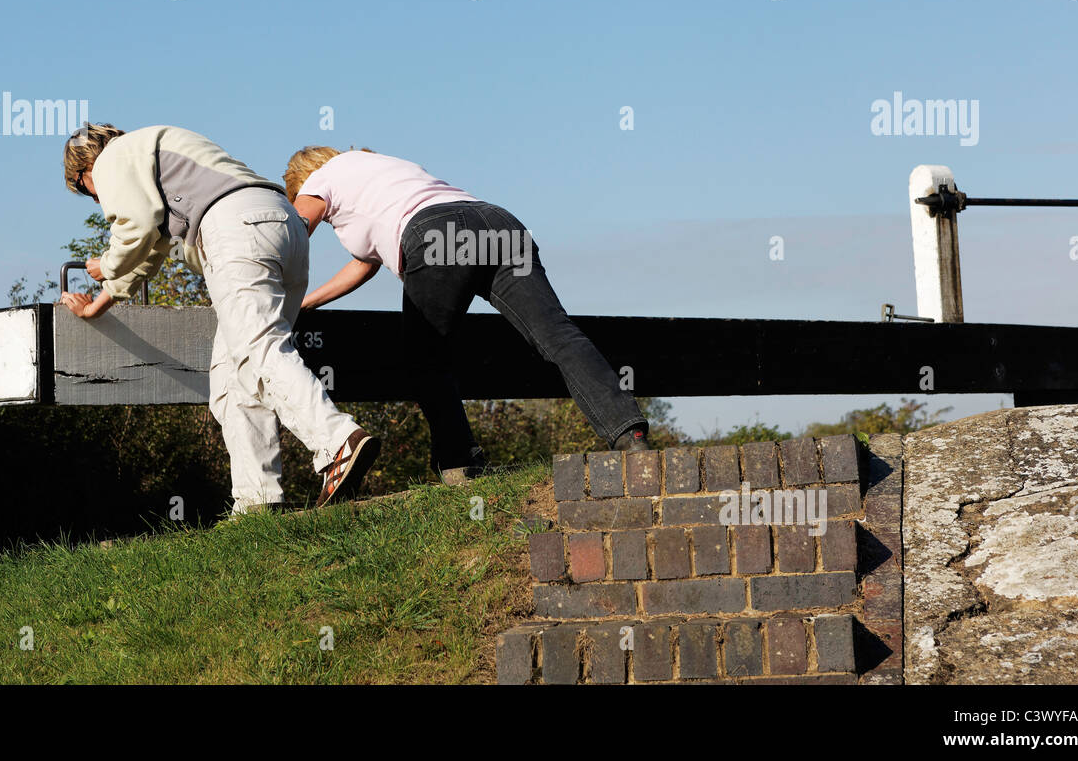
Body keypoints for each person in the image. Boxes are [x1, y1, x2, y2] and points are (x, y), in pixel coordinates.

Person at [58, 123, 380, 511]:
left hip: (234, 229)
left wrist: (106, 265)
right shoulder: (150, 157)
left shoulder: (113, 158)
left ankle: (338, 441)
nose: (96, 200)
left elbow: (135, 228)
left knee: (259, 350)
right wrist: (97, 304)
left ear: (84, 171)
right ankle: (257, 502)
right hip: (284, 227)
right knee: (232, 379)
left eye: (85, 191)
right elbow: (152, 251)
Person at [283, 146, 649, 484]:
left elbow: (295, 231)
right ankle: (628, 433)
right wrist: (307, 303)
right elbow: (365, 265)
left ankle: (459, 465)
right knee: (557, 333)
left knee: (425, 359)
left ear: (303, 180)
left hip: (436, 233)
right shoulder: (379, 169)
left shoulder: (319, 180)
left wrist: (276, 295)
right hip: (498, 224)